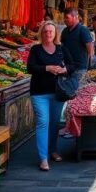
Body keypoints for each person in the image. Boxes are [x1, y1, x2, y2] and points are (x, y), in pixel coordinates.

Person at [26, 21, 73, 172]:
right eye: (45, 31)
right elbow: (30, 68)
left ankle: (52, 149)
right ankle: (43, 158)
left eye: (51, 32)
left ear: (55, 34)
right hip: (39, 93)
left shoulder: (61, 49)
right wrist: (47, 68)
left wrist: (64, 70)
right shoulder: (36, 49)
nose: (48, 34)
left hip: (57, 92)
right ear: (41, 33)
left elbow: (73, 65)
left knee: (54, 124)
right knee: (43, 122)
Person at [59, 9, 94, 82]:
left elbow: (90, 49)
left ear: (75, 17)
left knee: (78, 91)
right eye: (64, 18)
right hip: (67, 67)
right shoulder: (65, 31)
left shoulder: (83, 30)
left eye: (67, 17)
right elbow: (61, 46)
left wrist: (89, 67)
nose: (64, 20)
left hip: (80, 69)